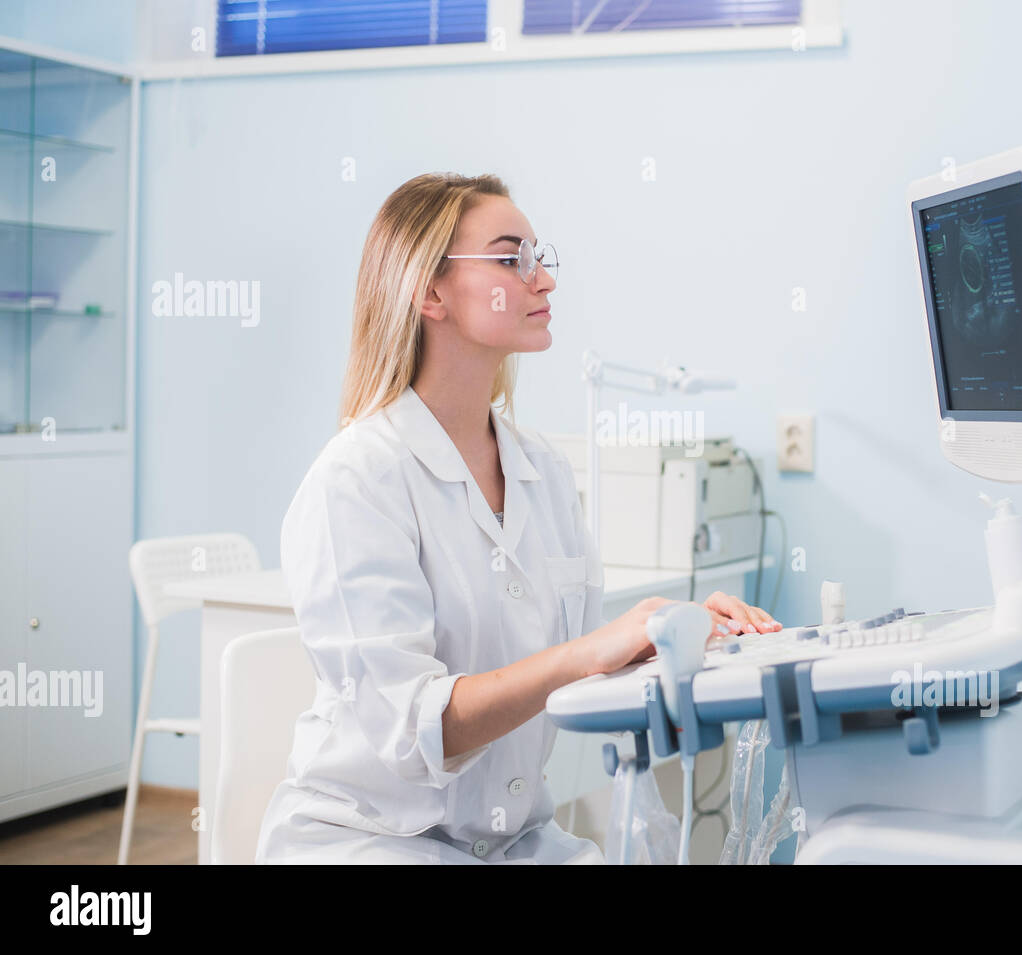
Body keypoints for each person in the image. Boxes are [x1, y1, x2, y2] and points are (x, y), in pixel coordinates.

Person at [256, 172, 780, 864]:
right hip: (374, 842)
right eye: (511, 259)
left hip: (518, 841)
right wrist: (586, 652)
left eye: (540, 258)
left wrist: (673, 634)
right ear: (430, 290)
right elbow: (415, 730)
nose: (544, 281)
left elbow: (575, 665)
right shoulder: (356, 481)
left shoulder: (542, 471)